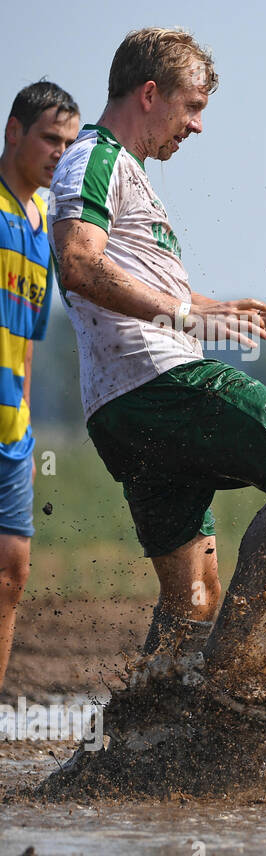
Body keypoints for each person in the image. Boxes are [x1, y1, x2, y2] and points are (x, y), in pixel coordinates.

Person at [49, 28, 266, 704]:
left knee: (191, 600)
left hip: (128, 408)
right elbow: (80, 265)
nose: (198, 126)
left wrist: (246, 317)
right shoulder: (94, 160)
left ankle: (137, 742)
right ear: (150, 93)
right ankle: (228, 672)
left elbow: (148, 285)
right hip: (159, 384)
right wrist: (189, 319)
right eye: (192, 106)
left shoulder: (127, 174)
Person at [0, 81, 80, 689]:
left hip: (12, 433)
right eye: (50, 138)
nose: (60, 152)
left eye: (69, 143)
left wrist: (24, 425)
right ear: (14, 133)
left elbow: (25, 342)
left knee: (11, 573)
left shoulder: (44, 226)